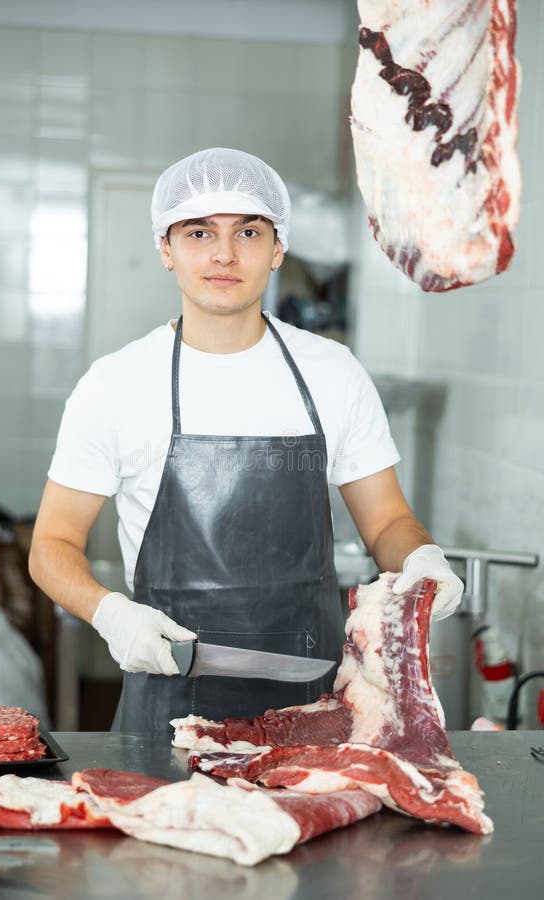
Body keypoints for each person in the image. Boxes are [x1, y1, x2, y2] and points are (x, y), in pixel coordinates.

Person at [29, 147, 463, 733]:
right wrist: (111, 614)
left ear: (278, 248)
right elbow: (52, 544)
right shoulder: (114, 385)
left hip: (316, 705)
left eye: (249, 231)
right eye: (199, 231)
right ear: (166, 248)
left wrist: (421, 559)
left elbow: (386, 522)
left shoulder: (332, 373)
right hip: (166, 708)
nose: (223, 254)